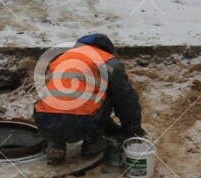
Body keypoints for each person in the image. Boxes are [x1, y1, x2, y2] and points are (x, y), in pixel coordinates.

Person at [32, 33, 144, 163]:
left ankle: (56, 145)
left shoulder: (61, 59)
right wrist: (133, 131)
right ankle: (92, 143)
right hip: (81, 123)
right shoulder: (108, 61)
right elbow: (126, 101)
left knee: (58, 100)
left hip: (44, 121)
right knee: (110, 94)